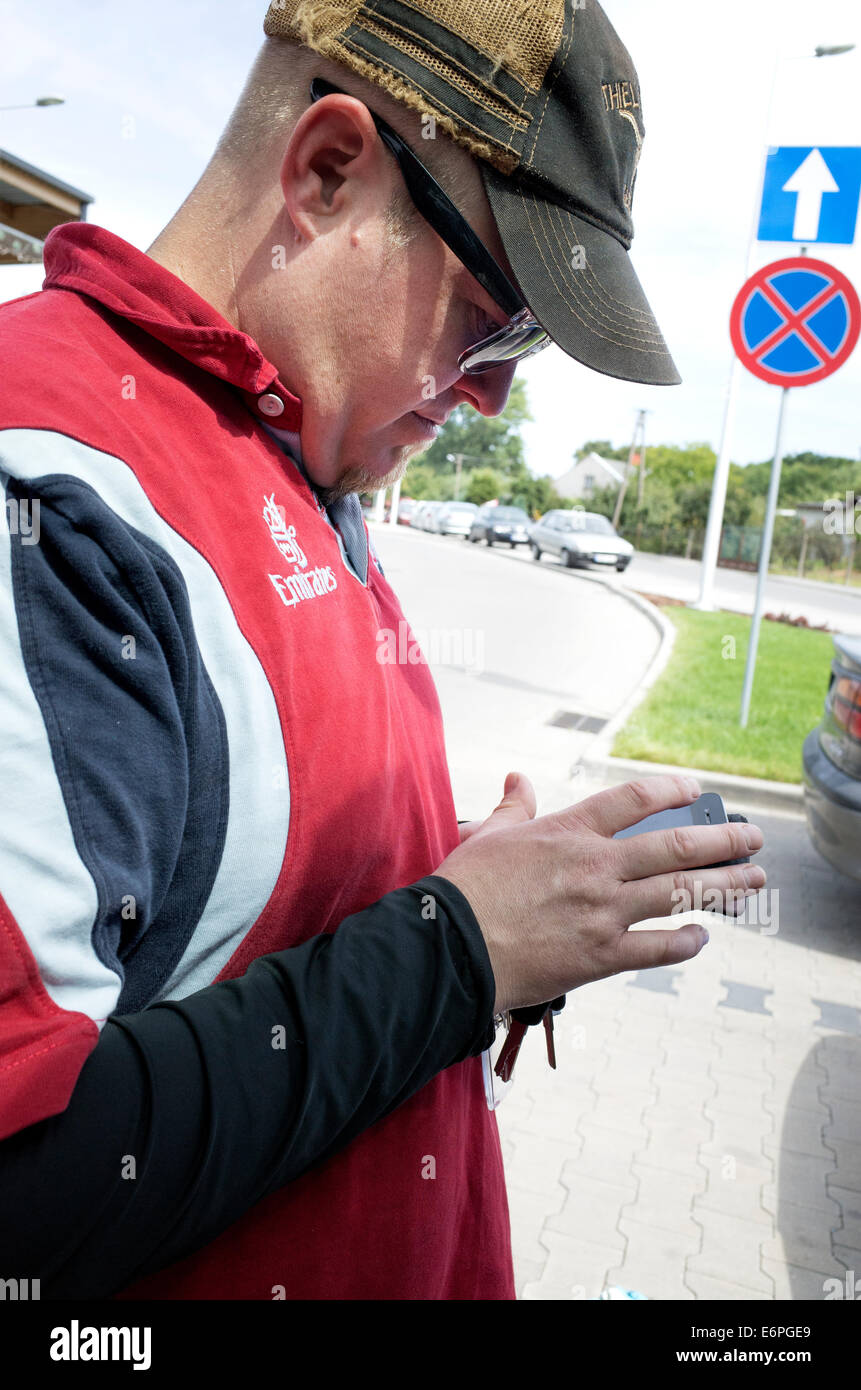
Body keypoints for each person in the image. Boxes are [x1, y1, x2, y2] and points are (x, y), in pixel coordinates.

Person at [0, 0, 765, 1300]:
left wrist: (491, 894)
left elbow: (254, 917)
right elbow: (31, 1180)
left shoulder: (308, 449)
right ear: (326, 172)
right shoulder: (56, 481)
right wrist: (462, 949)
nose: (488, 397)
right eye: (491, 317)